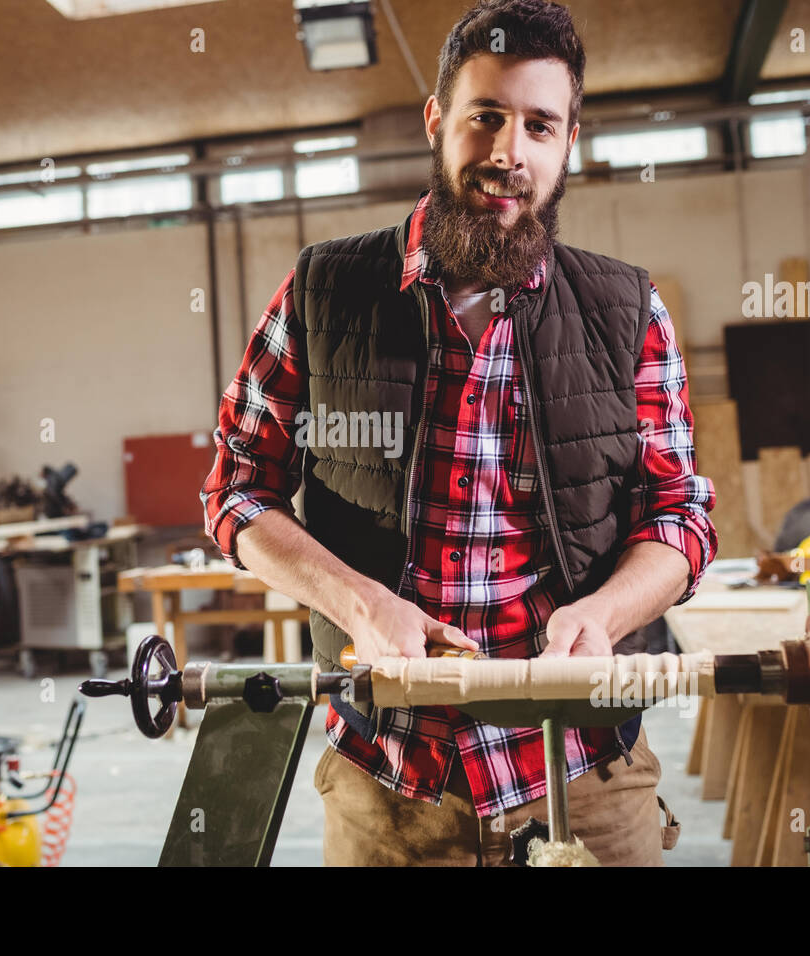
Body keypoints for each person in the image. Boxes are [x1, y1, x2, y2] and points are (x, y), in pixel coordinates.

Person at [201, 0, 716, 866]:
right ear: (438, 122)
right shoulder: (325, 290)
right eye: (487, 116)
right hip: (388, 784)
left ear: (566, 145)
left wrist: (603, 614)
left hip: (584, 774)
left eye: (539, 125)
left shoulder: (628, 310)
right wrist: (359, 603)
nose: (509, 151)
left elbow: (681, 516)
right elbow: (235, 489)